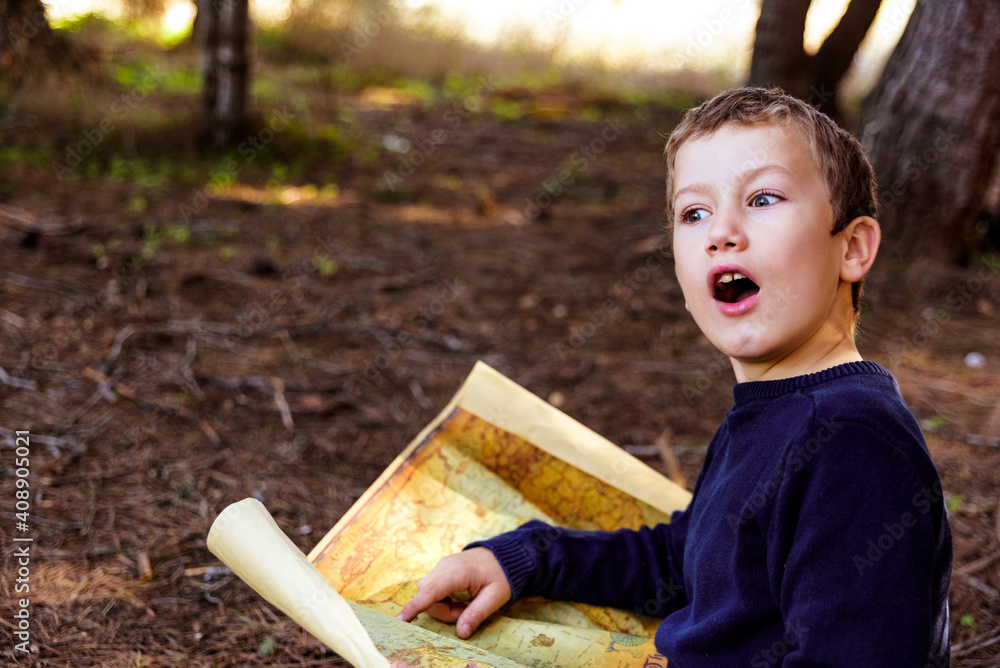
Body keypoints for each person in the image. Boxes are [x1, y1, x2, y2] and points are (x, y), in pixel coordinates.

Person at [397, 87, 953, 666]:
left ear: (853, 248)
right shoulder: (770, 411)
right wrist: (523, 559)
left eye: (763, 198)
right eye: (694, 213)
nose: (721, 232)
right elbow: (685, 563)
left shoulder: (852, 441)